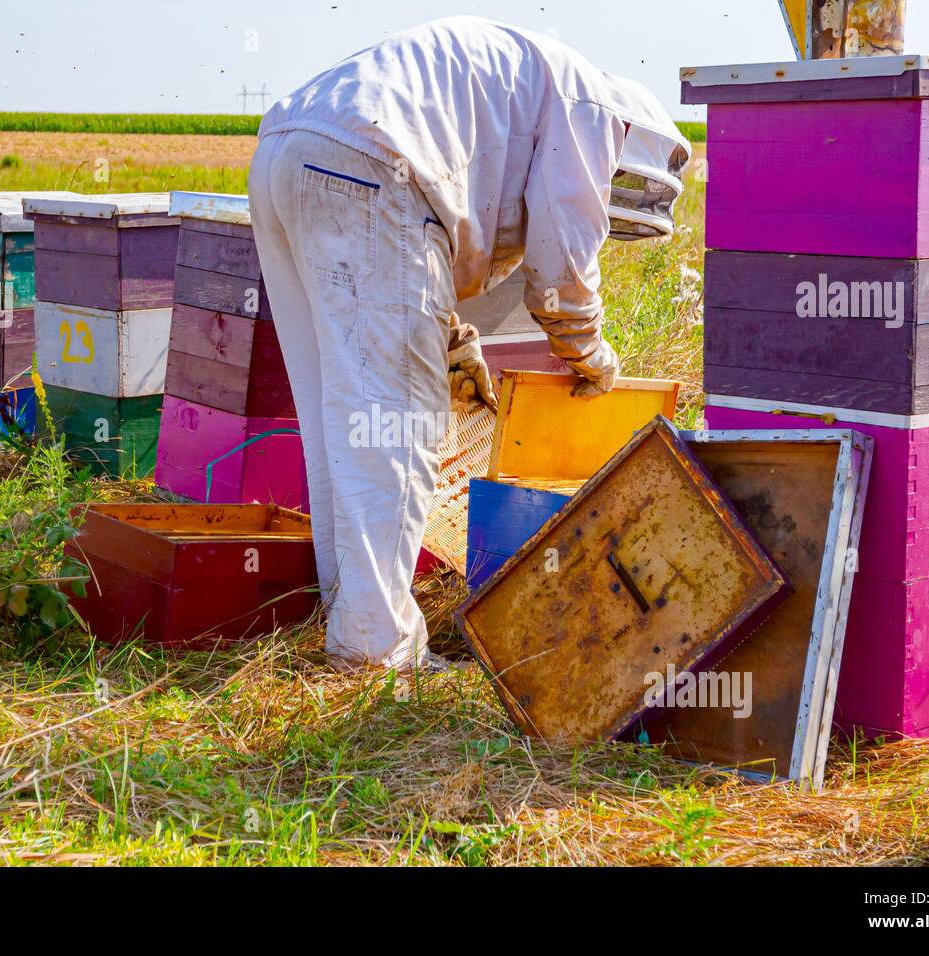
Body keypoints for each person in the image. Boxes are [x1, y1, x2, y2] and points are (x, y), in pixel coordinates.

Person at [249, 16, 689, 672]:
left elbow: (422, 256)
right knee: (397, 426)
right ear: (636, 146)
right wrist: (591, 357)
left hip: (291, 151)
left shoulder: (535, 90)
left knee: (338, 415)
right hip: (372, 164)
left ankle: (351, 610)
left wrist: (451, 341)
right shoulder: (594, 111)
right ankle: (374, 648)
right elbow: (561, 269)